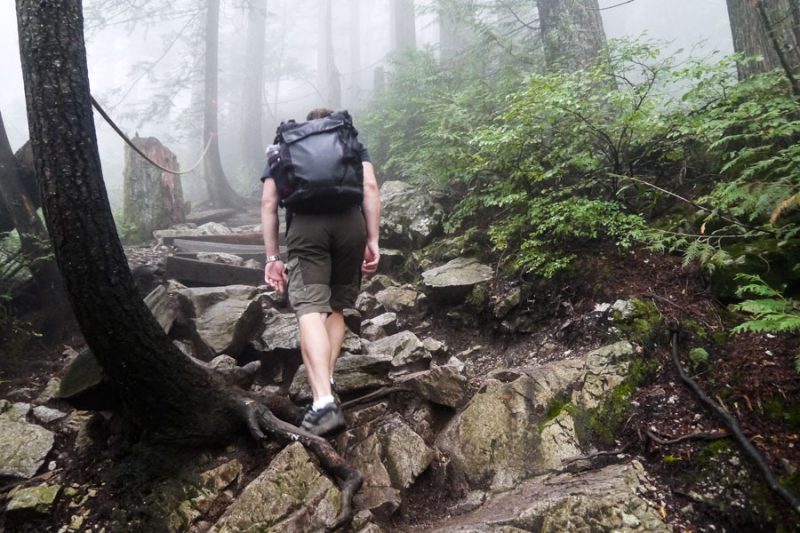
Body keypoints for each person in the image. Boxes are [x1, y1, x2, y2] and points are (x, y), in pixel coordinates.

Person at [260, 108, 381, 436]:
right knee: (336, 307)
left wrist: (272, 256)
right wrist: (373, 238)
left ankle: (324, 402)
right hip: (349, 223)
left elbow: (269, 203)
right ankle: (325, 379)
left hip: (307, 227)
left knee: (310, 310)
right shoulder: (350, 139)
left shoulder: (286, 145)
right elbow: (369, 187)